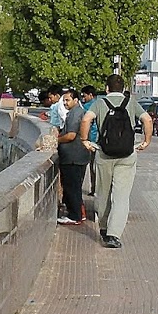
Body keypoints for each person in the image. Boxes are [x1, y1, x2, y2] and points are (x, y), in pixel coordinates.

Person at [78, 74, 153, 249]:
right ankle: (114, 234)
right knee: (121, 197)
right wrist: (146, 141)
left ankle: (103, 227)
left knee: (103, 194)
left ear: (107, 88)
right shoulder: (131, 102)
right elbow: (147, 119)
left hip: (104, 154)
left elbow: (86, 119)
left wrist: (84, 140)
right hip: (127, 155)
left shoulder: (100, 103)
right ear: (123, 88)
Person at [53, 88, 92, 225]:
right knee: (74, 186)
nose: (65, 103)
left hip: (73, 157)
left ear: (76, 100)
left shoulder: (75, 114)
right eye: (63, 100)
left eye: (67, 100)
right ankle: (77, 213)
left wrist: (55, 140)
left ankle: (75, 216)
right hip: (77, 156)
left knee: (72, 187)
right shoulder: (76, 113)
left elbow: (71, 135)